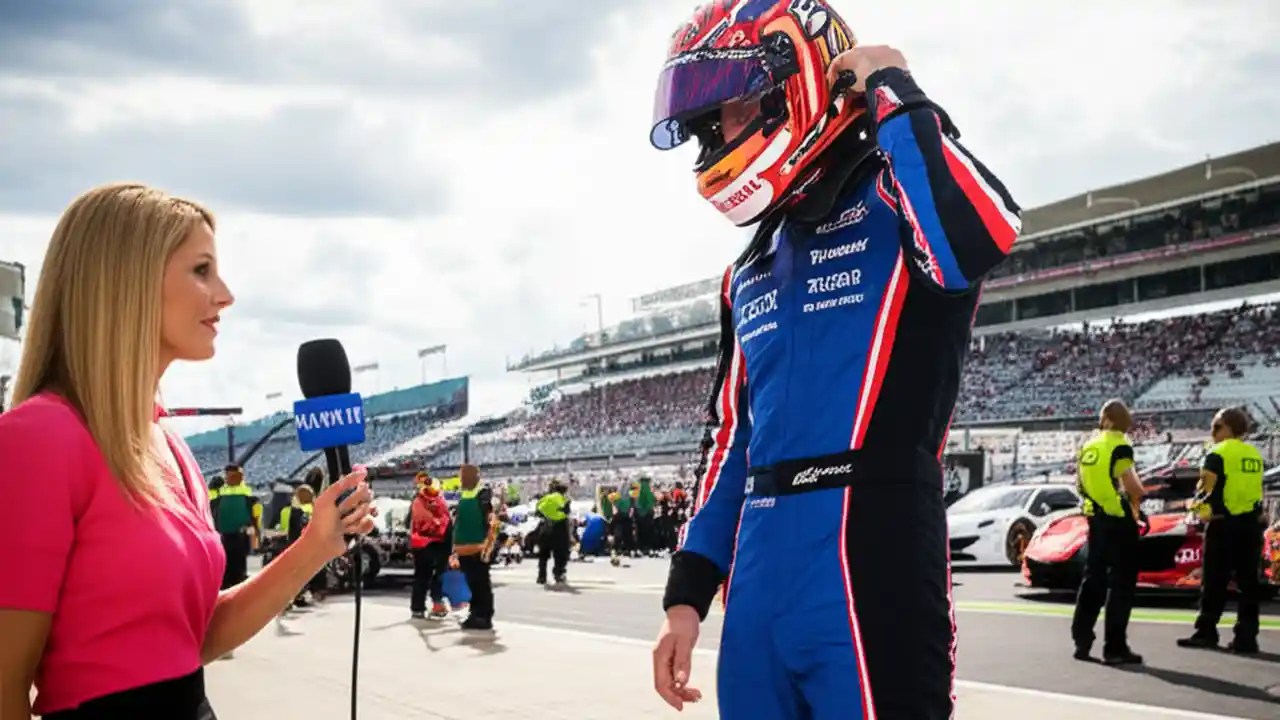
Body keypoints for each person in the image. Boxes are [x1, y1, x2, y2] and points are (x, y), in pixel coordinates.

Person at [647, 3, 1020, 717]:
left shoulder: (897, 193)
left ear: (797, 82)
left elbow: (980, 233)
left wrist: (894, 87)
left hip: (870, 545)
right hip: (759, 566)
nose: (718, 131)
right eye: (708, 119)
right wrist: (685, 599)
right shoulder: (747, 270)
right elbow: (730, 441)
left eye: (732, 106)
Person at [0, 183, 376, 719]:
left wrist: (315, 545)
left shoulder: (171, 448)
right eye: (201, 270)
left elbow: (193, 642)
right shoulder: (38, 438)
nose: (225, 295)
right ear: (126, 281)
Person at [1178, 407, 1265, 654]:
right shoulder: (1254, 454)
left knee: (1214, 581)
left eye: (1216, 427)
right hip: (1250, 524)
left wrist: (1194, 507)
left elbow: (1206, 491)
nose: (1212, 432)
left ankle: (1206, 632)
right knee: (1249, 584)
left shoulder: (1216, 453)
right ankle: (1247, 638)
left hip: (1222, 523)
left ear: (1228, 428)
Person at [1071, 399, 1147, 665]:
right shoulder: (1120, 444)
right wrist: (1136, 504)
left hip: (1094, 517)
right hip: (1118, 518)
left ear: (1104, 418)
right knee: (1121, 583)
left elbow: (1079, 484)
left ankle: (1081, 640)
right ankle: (1115, 647)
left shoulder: (1088, 446)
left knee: (1092, 579)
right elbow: (1132, 485)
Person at [449, 464, 497, 630]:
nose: (461, 479)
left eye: (463, 476)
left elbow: (492, 522)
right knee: (472, 584)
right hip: (464, 549)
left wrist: (488, 546)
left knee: (481, 584)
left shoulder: (482, 494)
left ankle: (483, 616)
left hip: (478, 547)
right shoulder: (463, 494)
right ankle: (475, 614)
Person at [209, 464, 262, 590]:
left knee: (225, 578)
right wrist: (256, 546)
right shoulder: (251, 500)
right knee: (240, 579)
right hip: (241, 543)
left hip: (223, 543)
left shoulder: (216, 501)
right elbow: (256, 526)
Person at [409, 472, 451, 620]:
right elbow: (443, 520)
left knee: (426, 576)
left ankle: (422, 607)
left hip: (426, 543)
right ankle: (431, 605)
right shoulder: (433, 501)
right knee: (432, 576)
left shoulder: (420, 502)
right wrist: (439, 524)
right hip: (433, 543)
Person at [536, 480, 572, 585]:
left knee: (543, 555)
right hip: (560, 528)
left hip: (545, 527)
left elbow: (537, 512)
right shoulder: (564, 499)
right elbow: (567, 511)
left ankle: (541, 576)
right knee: (561, 553)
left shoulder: (545, 498)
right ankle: (558, 574)